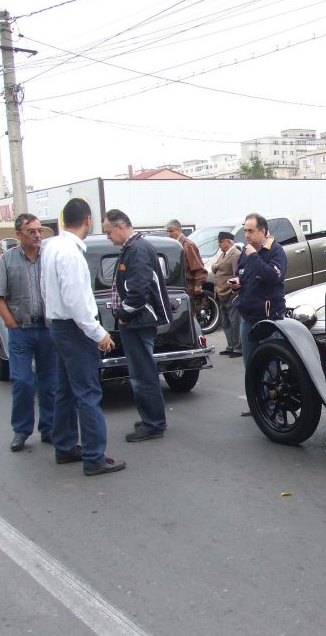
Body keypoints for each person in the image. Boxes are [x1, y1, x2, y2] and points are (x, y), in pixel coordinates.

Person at [41, 198, 126, 476]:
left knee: (65, 389)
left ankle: (65, 446)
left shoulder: (52, 246)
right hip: (74, 328)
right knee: (88, 392)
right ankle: (94, 456)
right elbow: (76, 300)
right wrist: (98, 333)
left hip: (58, 324)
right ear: (88, 219)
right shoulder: (71, 254)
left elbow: (46, 290)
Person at [103, 209, 172, 442]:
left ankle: (153, 424)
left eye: (108, 232)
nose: (108, 237)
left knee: (143, 374)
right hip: (136, 321)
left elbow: (138, 291)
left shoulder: (138, 249)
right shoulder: (132, 249)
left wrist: (123, 314)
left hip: (138, 321)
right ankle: (151, 418)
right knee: (142, 372)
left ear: (121, 226)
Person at [0, 213, 57, 452]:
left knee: (50, 382)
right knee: (23, 382)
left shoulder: (48, 257)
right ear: (19, 235)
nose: (38, 235)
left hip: (48, 329)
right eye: (32, 231)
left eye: (40, 231)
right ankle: (21, 430)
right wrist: (12, 324)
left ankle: (49, 429)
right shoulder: (7, 260)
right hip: (21, 331)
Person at [230, 212, 287, 371]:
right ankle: (255, 396)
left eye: (251, 231)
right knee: (251, 367)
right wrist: (236, 283)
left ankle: (269, 397)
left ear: (262, 231)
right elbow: (241, 273)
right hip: (247, 317)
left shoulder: (275, 251)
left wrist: (254, 256)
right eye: (245, 231)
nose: (246, 235)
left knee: (270, 368)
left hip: (269, 319)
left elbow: (272, 276)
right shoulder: (245, 252)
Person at [211, 230, 242, 357]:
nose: (219, 244)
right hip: (220, 293)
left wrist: (234, 292)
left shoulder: (235, 254)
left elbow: (237, 274)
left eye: (221, 241)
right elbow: (215, 267)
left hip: (230, 293)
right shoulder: (223, 254)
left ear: (228, 241)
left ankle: (238, 348)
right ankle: (230, 346)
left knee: (235, 322)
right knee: (225, 322)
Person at [164, 219, 207, 307]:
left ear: (179, 230)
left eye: (171, 231)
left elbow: (198, 267)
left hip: (189, 285)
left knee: (191, 313)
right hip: (178, 285)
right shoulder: (173, 245)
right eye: (167, 232)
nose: (169, 234)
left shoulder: (188, 245)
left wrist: (198, 285)